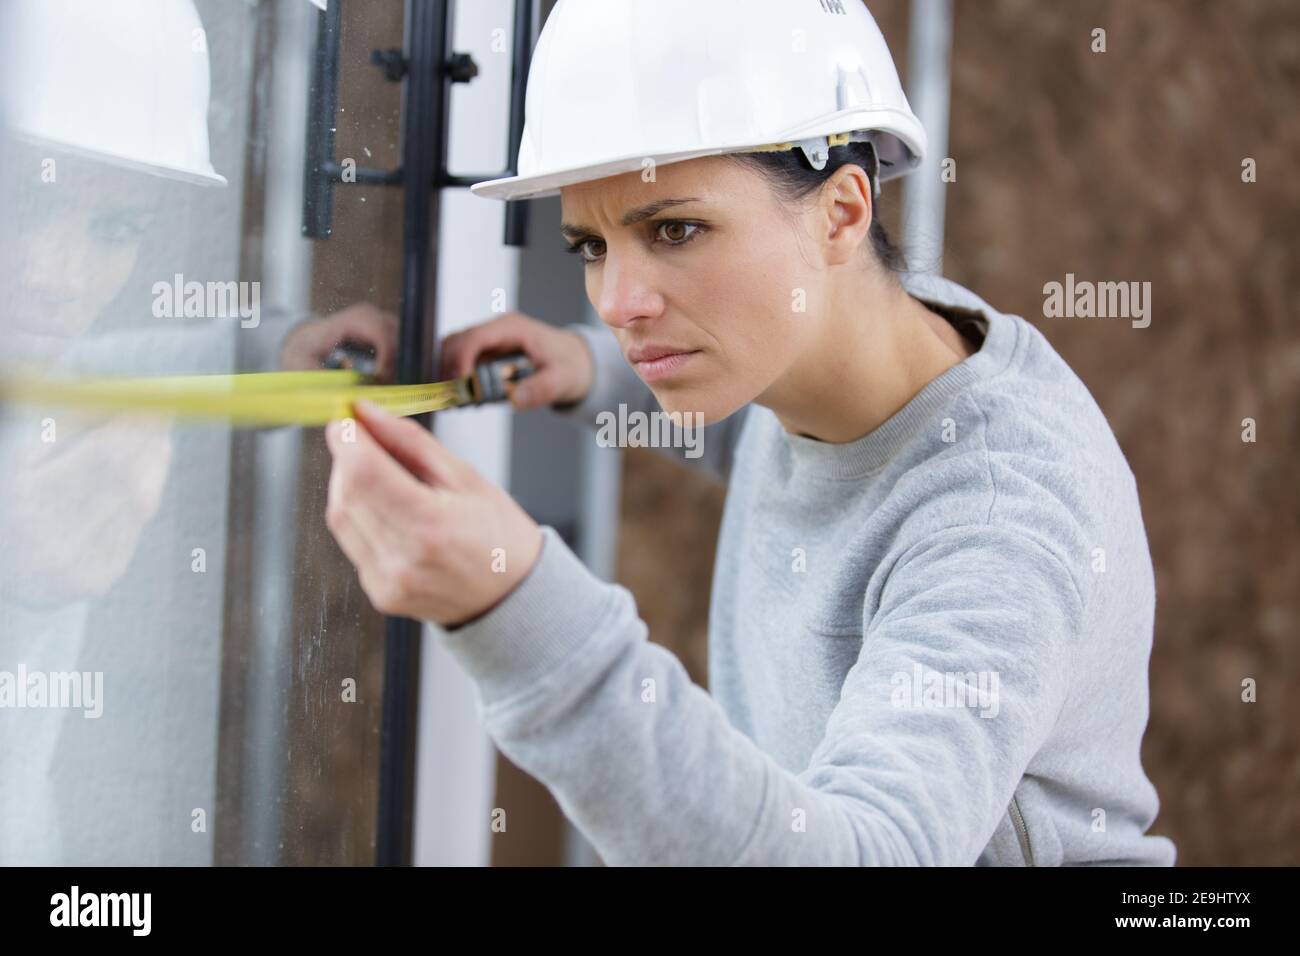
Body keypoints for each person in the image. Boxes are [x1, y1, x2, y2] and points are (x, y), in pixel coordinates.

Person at [317, 0, 1175, 865]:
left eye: (675, 229)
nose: (618, 303)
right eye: (591, 246)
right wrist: (586, 369)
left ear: (841, 212)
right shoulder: (862, 354)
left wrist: (517, 613)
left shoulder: (997, 521)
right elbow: (797, 444)